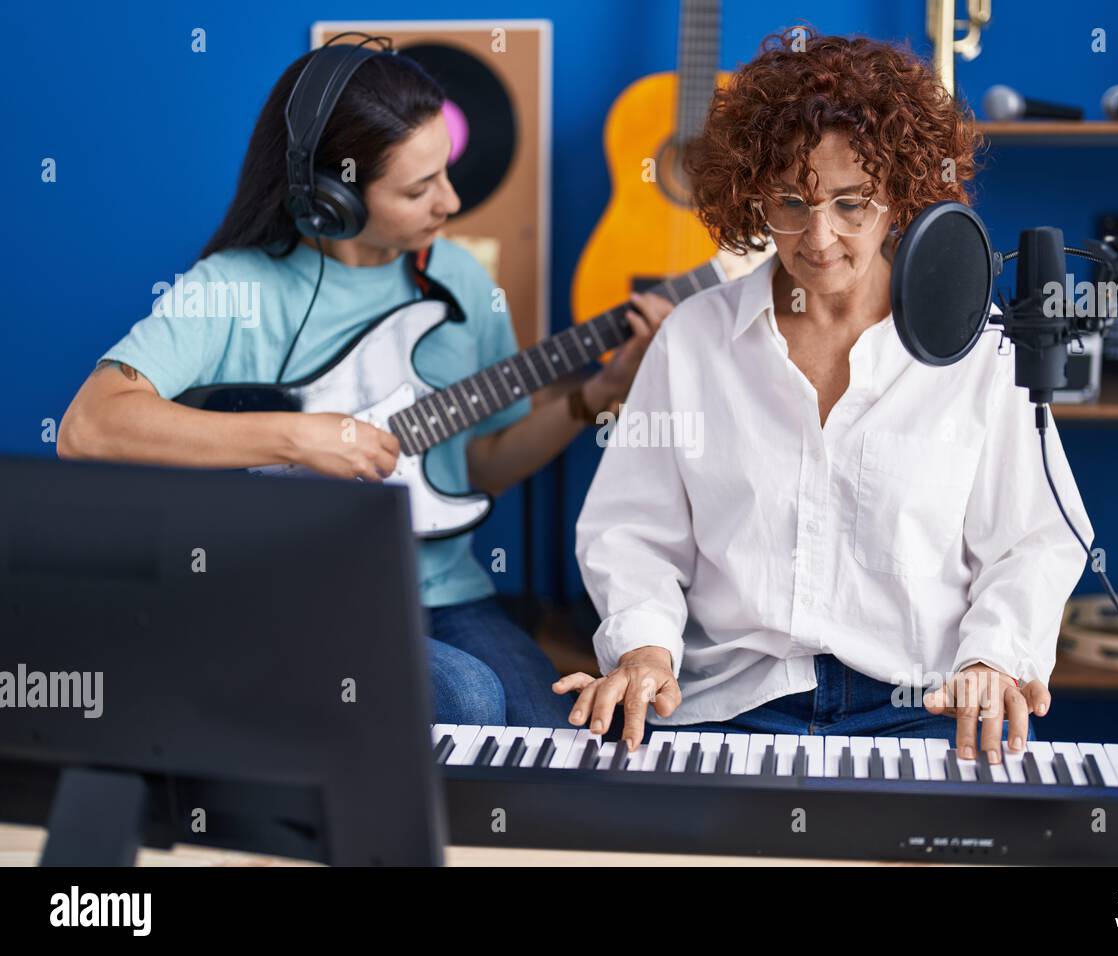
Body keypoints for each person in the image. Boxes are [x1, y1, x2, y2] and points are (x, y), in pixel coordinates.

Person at [56, 38, 672, 728]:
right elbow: (90, 426)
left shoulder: (461, 278)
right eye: (418, 188)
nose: (451, 200)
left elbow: (481, 466)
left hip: (447, 592)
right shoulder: (231, 288)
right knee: (468, 700)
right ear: (331, 195)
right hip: (294, 600)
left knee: (549, 729)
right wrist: (304, 436)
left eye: (447, 171)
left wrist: (598, 393)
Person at [556, 30, 1094, 764]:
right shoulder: (692, 340)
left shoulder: (978, 347)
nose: (819, 237)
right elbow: (631, 531)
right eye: (789, 201)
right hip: (728, 709)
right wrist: (644, 650)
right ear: (751, 195)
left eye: (851, 203)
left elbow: (1034, 539)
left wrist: (992, 659)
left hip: (923, 710)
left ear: (900, 195)